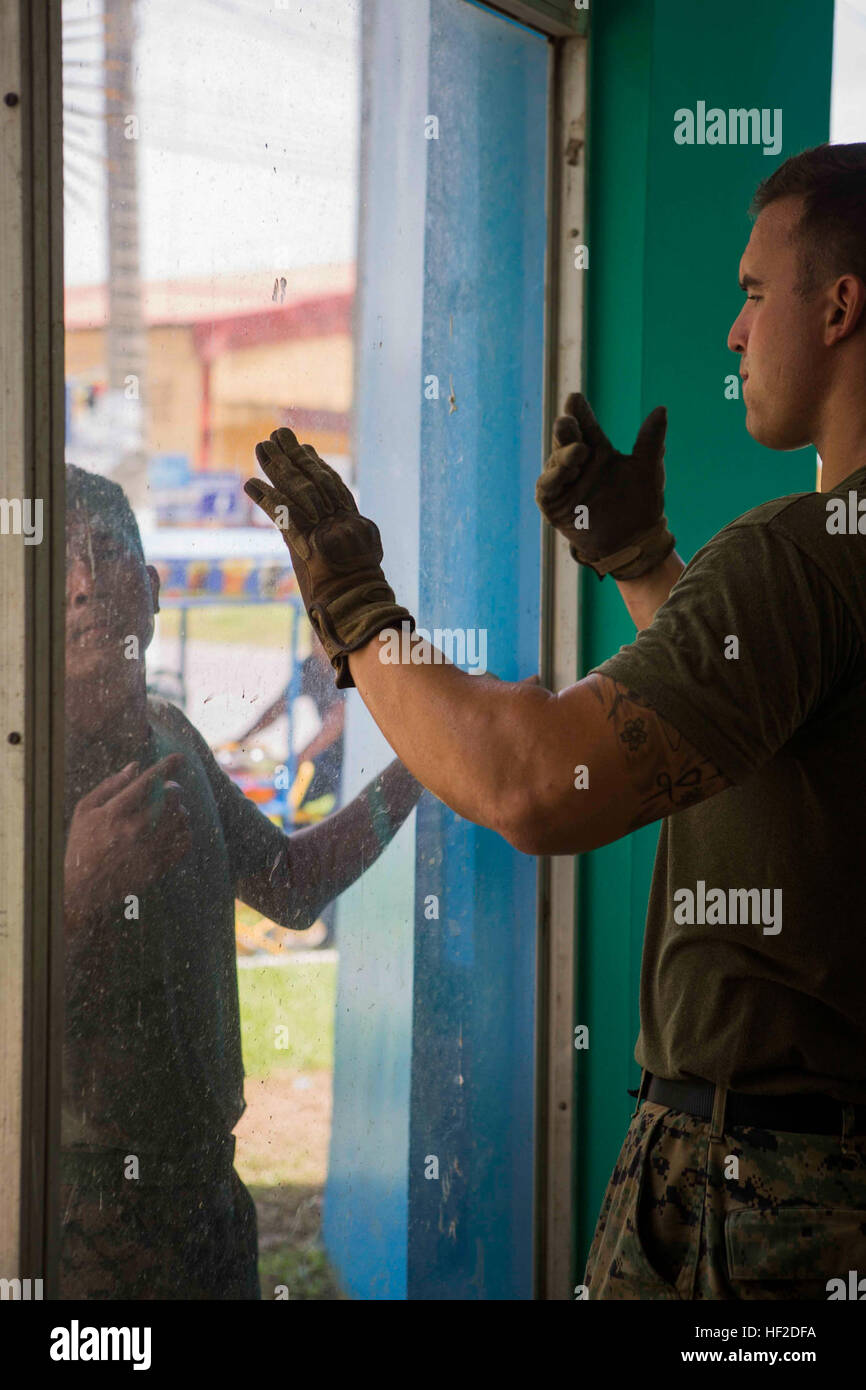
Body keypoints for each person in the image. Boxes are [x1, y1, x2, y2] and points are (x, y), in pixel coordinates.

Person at [245, 142, 866, 1300]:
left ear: (837, 307)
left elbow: (532, 782)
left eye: (749, 293)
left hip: (761, 1211)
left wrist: (354, 608)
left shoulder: (798, 556)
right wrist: (642, 564)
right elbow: (777, 742)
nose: (733, 334)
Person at [62, 464, 423, 1299]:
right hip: (81, 1221)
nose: (82, 585)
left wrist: (423, 767)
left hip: (209, 1203)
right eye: (59, 565)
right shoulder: (19, 776)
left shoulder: (171, 736)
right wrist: (75, 890)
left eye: (105, 552)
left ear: (152, 595)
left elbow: (291, 887)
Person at [236, 634, 345, 945]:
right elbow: (280, 706)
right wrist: (243, 738)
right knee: (287, 815)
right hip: (325, 762)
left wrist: (298, 758)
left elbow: (337, 721)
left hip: (350, 762)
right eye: (313, 636)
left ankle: (328, 928)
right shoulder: (310, 666)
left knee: (335, 829)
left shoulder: (344, 667)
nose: (316, 642)